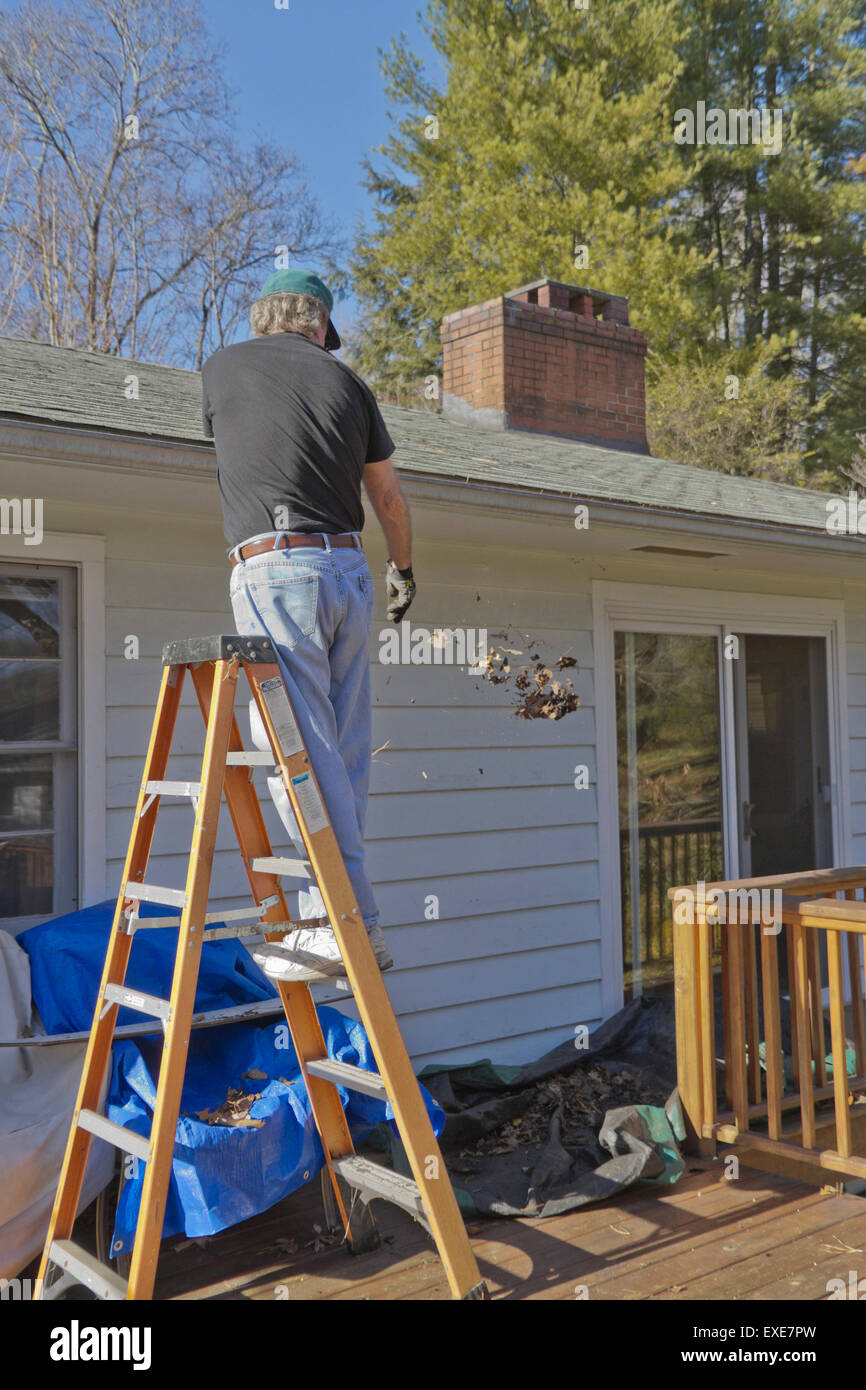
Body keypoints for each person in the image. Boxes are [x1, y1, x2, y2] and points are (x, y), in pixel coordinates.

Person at [201, 268, 416, 982]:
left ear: (266, 317)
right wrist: (403, 573)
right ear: (321, 327)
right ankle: (349, 920)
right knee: (345, 756)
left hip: (277, 568)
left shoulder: (221, 367)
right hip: (351, 574)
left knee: (301, 751)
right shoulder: (350, 385)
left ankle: (339, 923)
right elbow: (386, 495)